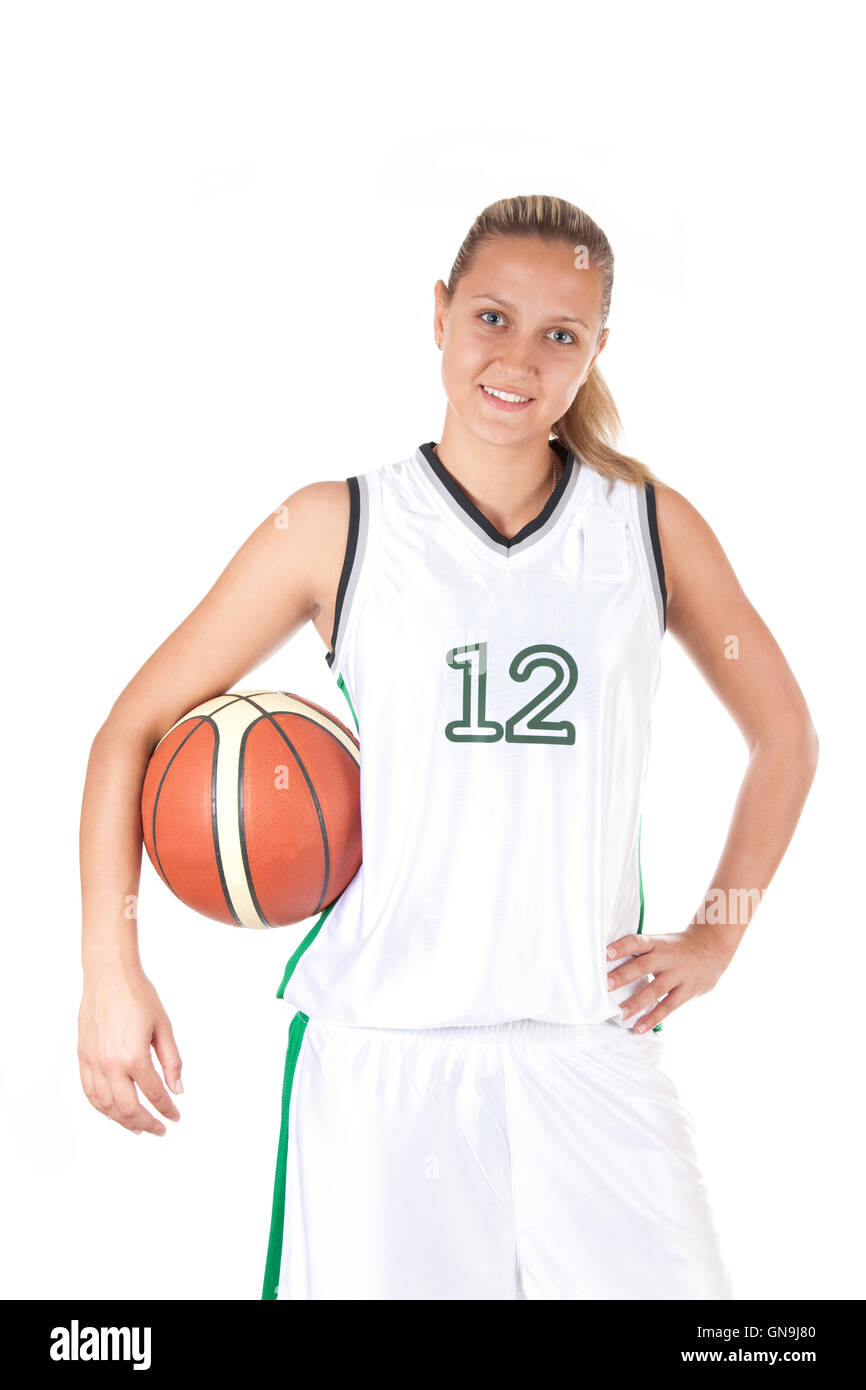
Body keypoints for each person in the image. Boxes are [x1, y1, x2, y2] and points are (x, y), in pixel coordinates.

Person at [78, 194, 819, 1301]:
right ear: (437, 315)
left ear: (596, 352)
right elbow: (127, 729)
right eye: (489, 317)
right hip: (387, 1053)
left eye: (559, 333)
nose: (515, 357)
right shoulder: (339, 524)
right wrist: (108, 970)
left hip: (588, 1042)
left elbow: (783, 734)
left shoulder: (646, 527)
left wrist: (714, 943)